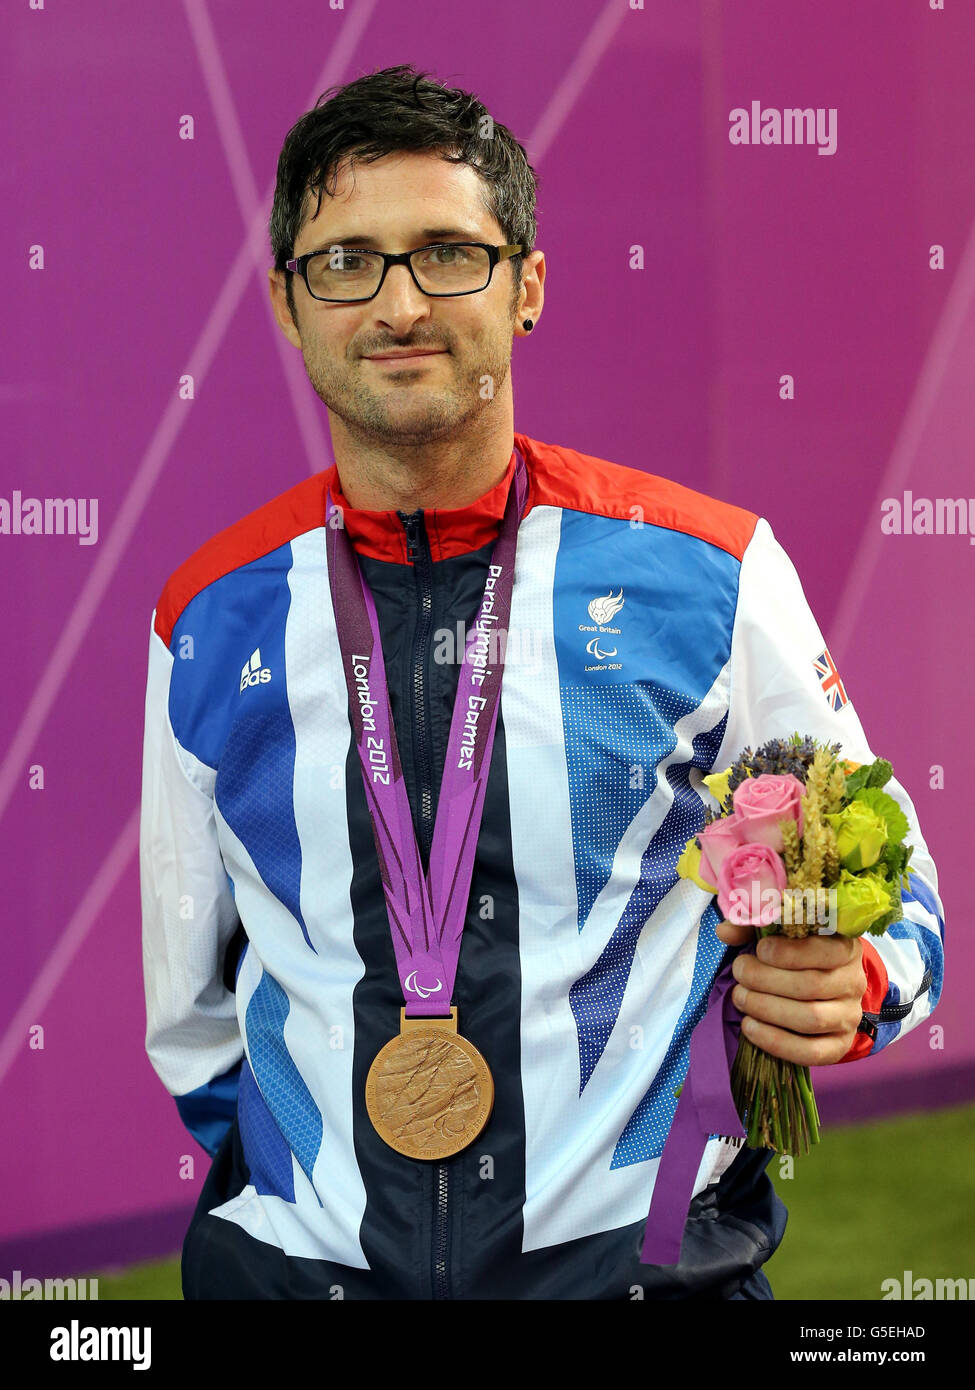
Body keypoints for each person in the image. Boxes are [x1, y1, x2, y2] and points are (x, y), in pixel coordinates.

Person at [139, 64, 945, 1300]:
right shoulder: (206, 615)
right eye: (346, 262)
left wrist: (855, 978)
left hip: (645, 1279)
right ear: (288, 305)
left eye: (448, 253)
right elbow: (191, 1011)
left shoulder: (714, 571)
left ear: (528, 286)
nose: (399, 302)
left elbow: (903, 900)